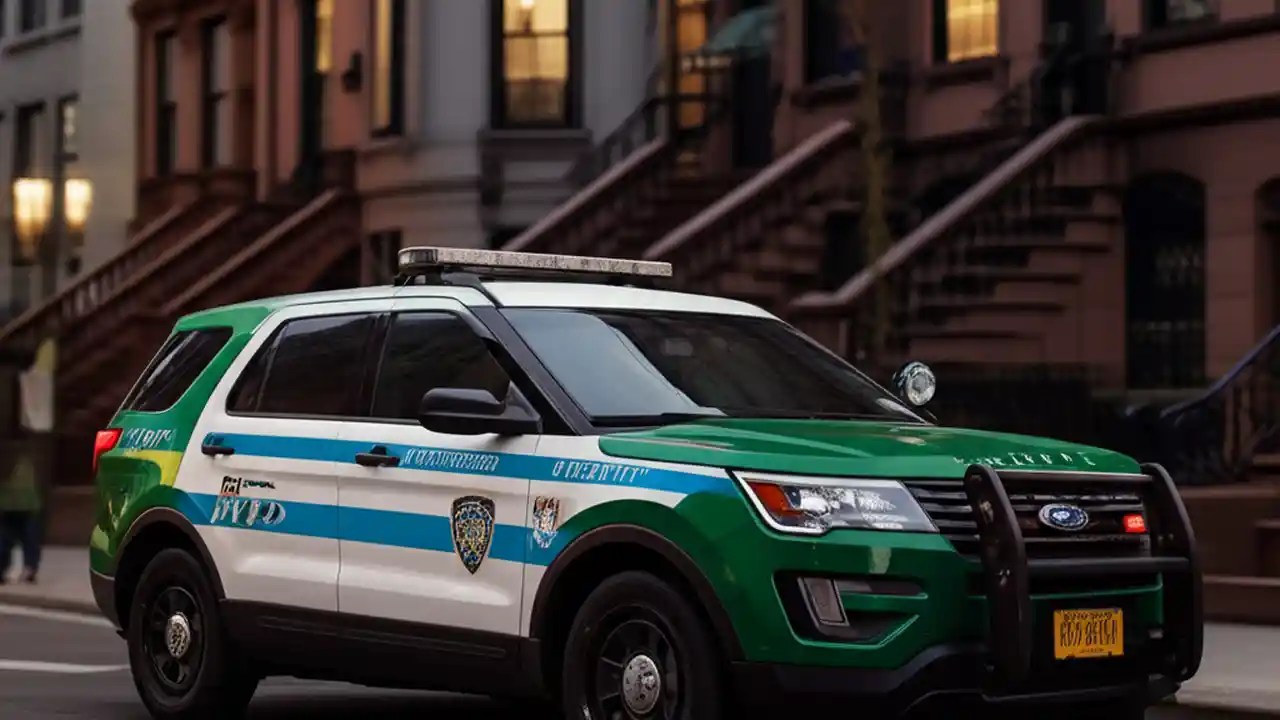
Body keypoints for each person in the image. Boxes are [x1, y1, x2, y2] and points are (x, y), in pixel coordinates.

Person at [0, 448, 42, 584]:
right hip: (20, 504)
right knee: (27, 539)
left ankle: (25, 568)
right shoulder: (28, 456)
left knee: (7, 540)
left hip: (15, 504)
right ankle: (29, 568)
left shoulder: (15, 457)